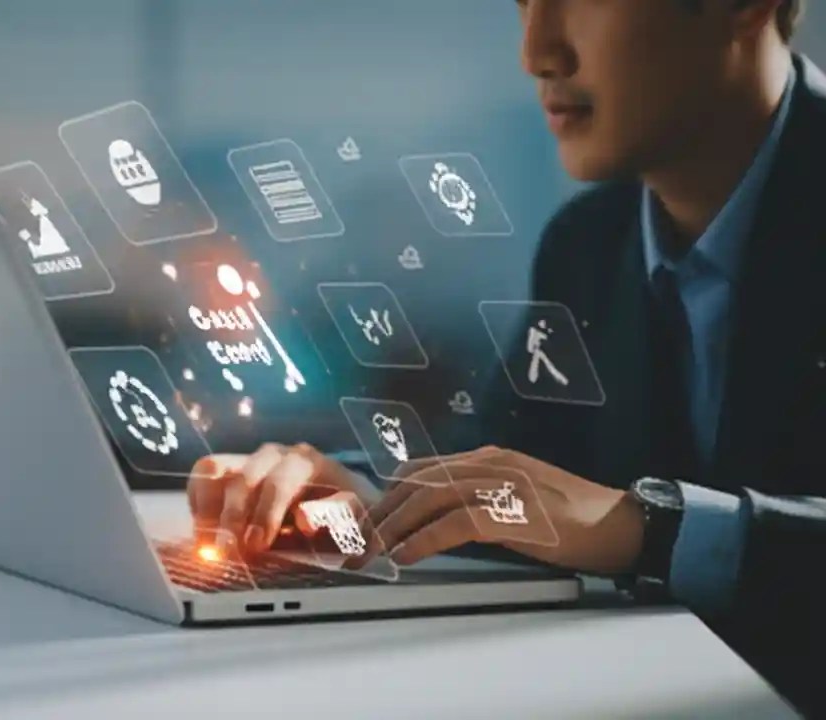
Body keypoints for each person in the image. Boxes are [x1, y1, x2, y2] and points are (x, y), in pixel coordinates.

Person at [187, 0, 825, 713]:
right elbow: (514, 467)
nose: (536, 53)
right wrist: (366, 495)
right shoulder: (590, 241)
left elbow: (582, 512)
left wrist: (639, 526)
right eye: (523, 4)